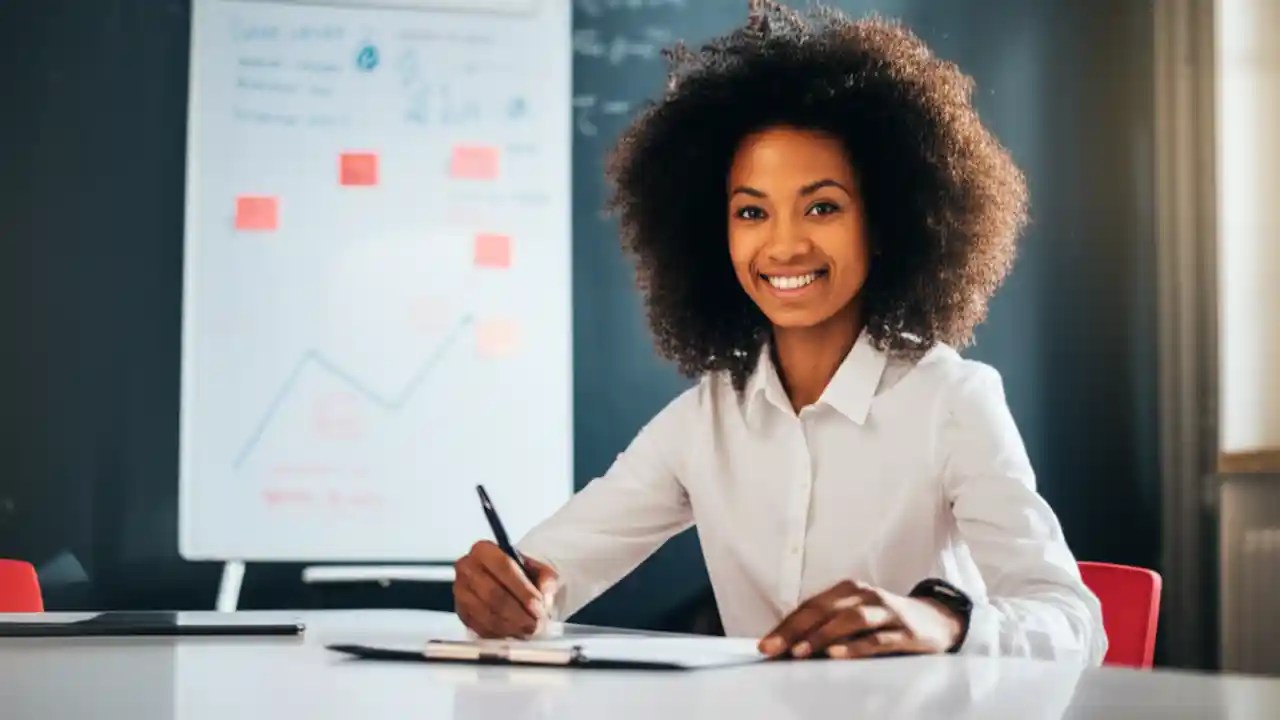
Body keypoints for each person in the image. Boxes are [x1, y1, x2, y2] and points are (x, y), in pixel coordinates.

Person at [453, 0, 1106, 665]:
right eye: (751, 212)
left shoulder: (953, 402)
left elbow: (1072, 620)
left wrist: (943, 620)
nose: (784, 244)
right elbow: (546, 577)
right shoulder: (705, 420)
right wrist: (506, 592)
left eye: (822, 206)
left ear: (884, 222)